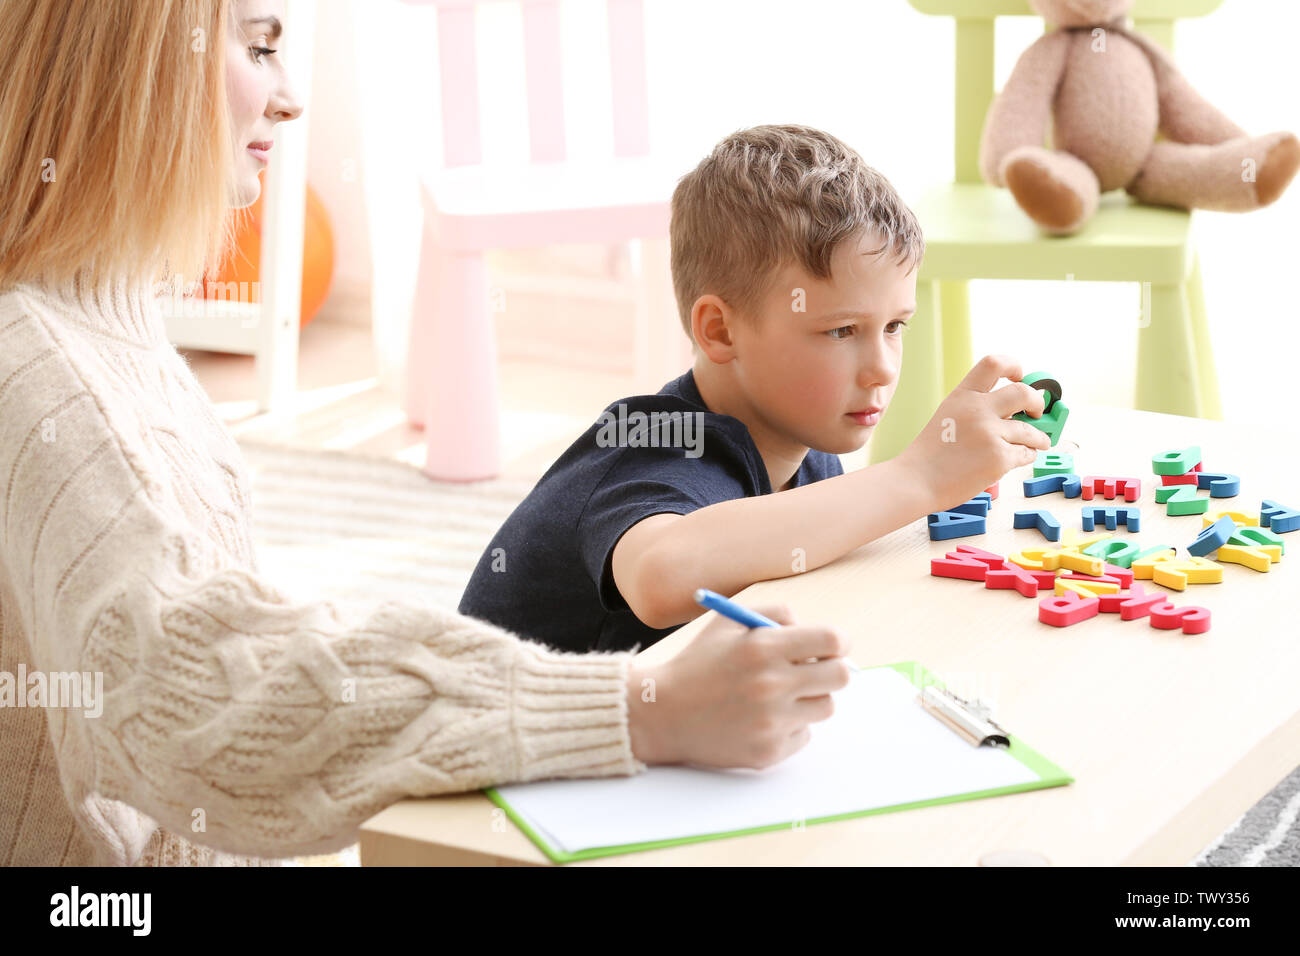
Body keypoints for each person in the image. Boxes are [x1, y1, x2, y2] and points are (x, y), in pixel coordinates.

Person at [0, 0, 851, 867]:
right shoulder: (43, 377)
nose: (293, 99)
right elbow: (201, 701)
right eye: (261, 47)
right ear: (132, 61)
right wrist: (640, 706)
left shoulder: (106, 325)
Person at [460, 124, 1052, 654]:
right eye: (841, 329)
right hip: (512, 746)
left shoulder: (806, 438)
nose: (881, 368)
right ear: (720, 330)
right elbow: (662, 577)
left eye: (894, 326)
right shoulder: (656, 448)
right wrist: (917, 477)